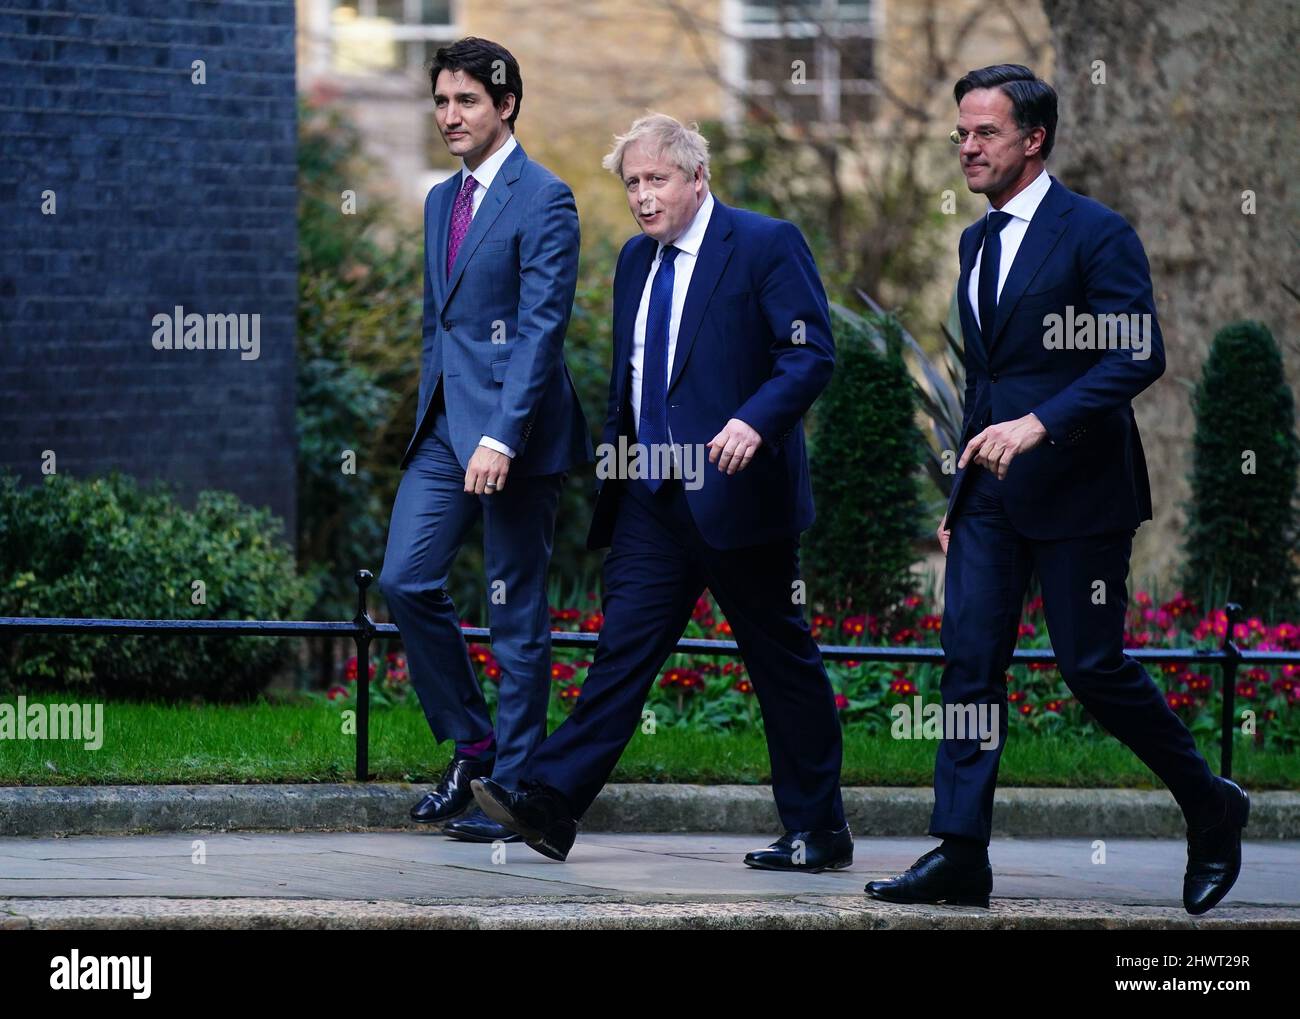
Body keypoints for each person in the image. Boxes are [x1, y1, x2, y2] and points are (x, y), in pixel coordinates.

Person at [865, 64, 1247, 914]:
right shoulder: (975, 241)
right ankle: (961, 851)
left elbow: (1136, 353)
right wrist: (962, 493)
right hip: (992, 496)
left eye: (984, 132)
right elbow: (986, 381)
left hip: (1080, 488)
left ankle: (1209, 803)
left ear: (1033, 139)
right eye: (960, 132)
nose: (966, 146)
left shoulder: (1095, 233)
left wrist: (1041, 426)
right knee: (968, 663)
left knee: (1093, 666)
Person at [472, 113, 850, 871]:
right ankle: (550, 800)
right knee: (622, 652)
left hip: (740, 495)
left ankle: (818, 829)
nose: (644, 197)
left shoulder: (766, 244)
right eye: (633, 184)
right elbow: (634, 383)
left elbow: (809, 356)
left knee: (780, 662)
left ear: (697, 176)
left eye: (657, 180)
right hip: (652, 495)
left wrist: (755, 421)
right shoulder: (634, 263)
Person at [378, 37, 591, 844]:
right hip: (443, 428)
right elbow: (442, 325)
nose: (450, 115)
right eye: (440, 100)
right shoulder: (441, 200)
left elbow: (541, 327)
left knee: (515, 612)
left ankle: (515, 791)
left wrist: (503, 434)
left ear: (506, 105)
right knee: (405, 577)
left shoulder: (546, 198)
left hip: (518, 436)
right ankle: (473, 744)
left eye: (466, 100)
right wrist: (436, 411)